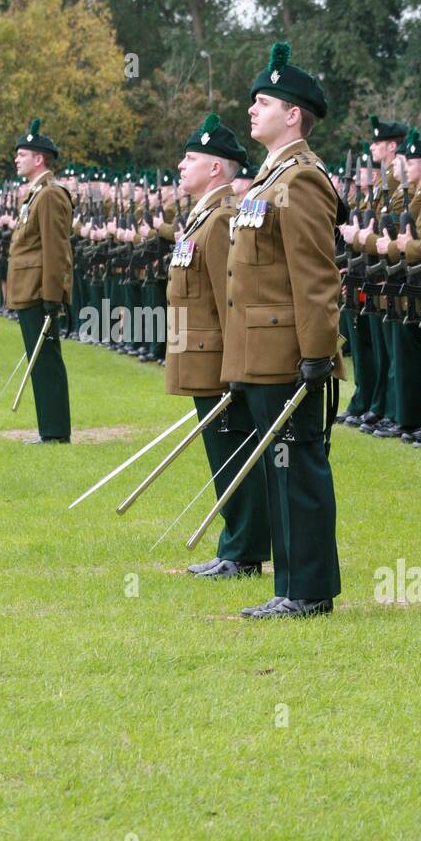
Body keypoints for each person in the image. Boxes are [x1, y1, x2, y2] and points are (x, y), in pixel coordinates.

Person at [221, 41, 344, 620]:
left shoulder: (301, 180)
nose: (252, 109)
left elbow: (315, 276)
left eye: (263, 101)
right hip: (261, 347)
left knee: (298, 465)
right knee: (279, 466)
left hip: (290, 350)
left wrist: (318, 355)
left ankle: (308, 590)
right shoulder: (270, 179)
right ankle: (291, 585)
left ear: (293, 114)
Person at [165, 113, 270, 579]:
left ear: (215, 168)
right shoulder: (203, 217)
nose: (180, 166)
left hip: (218, 361)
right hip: (201, 356)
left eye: (190, 159)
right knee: (222, 456)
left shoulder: (221, 219)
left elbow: (233, 301)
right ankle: (236, 546)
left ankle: (243, 551)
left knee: (233, 456)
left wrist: (236, 370)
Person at [6, 119, 74, 443]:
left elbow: (55, 249)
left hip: (38, 290)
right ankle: (50, 429)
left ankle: (56, 432)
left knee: (46, 362)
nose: (17, 159)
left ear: (39, 159)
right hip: (28, 287)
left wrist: (53, 295)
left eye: (22, 154)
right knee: (40, 362)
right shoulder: (36, 194)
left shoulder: (49, 195)